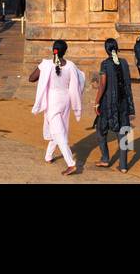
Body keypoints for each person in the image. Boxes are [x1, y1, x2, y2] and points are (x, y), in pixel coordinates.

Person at [29, 38, 84, 175]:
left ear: (53, 50)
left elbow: (31, 78)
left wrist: (41, 68)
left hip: (53, 101)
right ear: (65, 52)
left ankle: (71, 164)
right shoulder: (70, 65)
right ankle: (48, 155)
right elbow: (81, 77)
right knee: (58, 129)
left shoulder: (46, 65)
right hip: (65, 100)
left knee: (59, 132)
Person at [93, 38, 135, 171]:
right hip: (123, 102)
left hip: (108, 104)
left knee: (100, 130)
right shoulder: (124, 63)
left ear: (106, 50)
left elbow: (102, 84)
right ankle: (123, 166)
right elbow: (128, 83)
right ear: (116, 48)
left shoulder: (105, 64)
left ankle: (105, 158)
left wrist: (96, 102)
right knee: (122, 132)